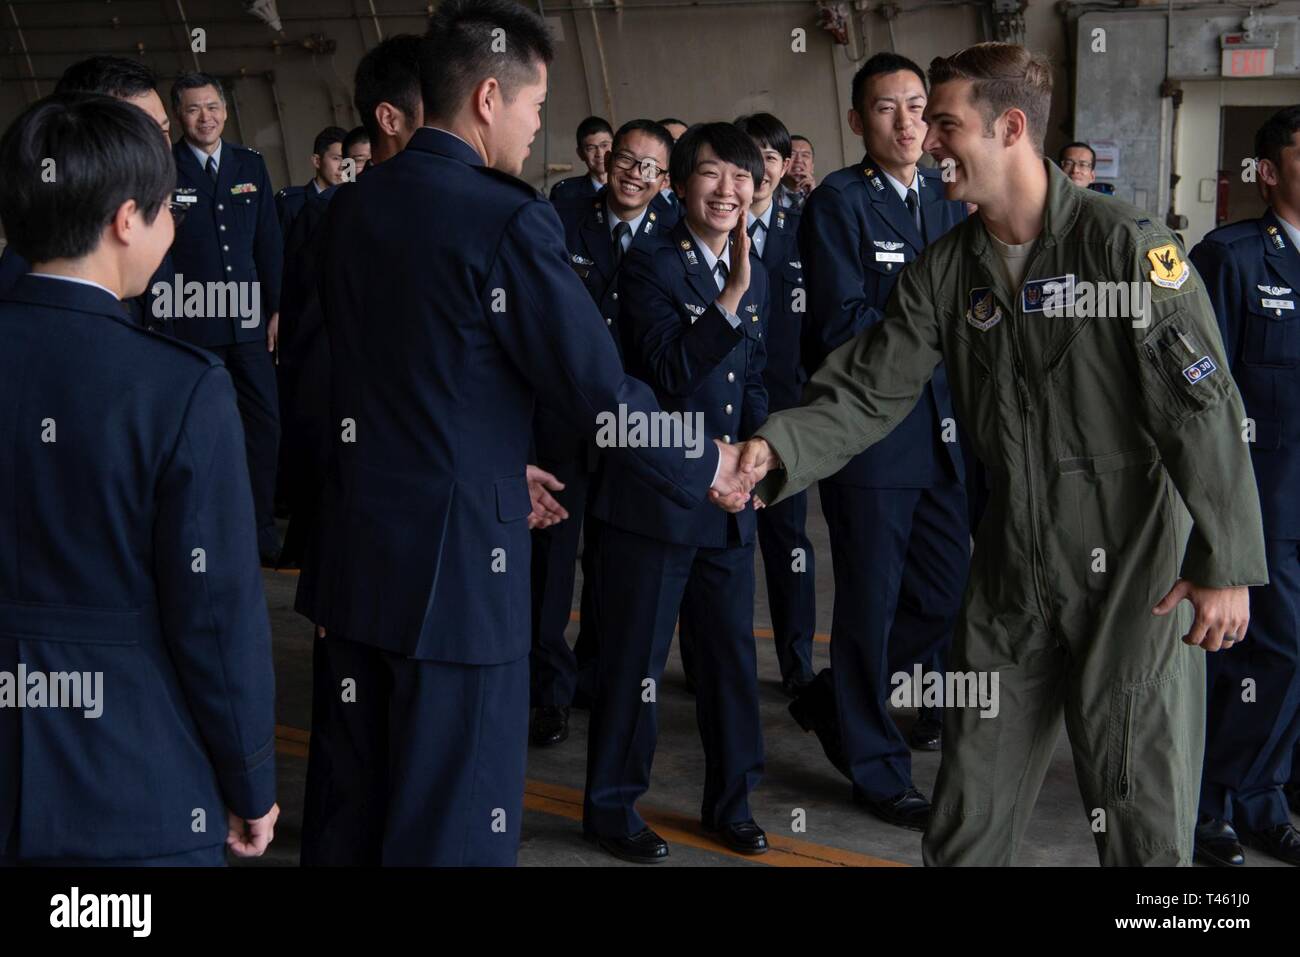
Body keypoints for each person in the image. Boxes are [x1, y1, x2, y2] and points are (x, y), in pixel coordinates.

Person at [727, 42, 1267, 867]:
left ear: (1010, 128)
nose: (925, 140)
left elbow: (1202, 406)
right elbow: (871, 385)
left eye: (945, 124)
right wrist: (773, 448)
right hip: (1013, 561)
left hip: (1134, 575)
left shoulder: (1126, 247)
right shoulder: (946, 271)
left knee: (1140, 814)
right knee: (968, 813)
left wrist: (1225, 559)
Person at [296, 0, 750, 867]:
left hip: (355, 555)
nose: (539, 125)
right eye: (538, 108)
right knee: (455, 818)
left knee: (351, 806)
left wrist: (500, 464)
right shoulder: (505, 217)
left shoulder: (346, 208)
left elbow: (372, 384)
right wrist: (706, 463)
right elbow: (597, 389)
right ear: (490, 98)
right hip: (459, 573)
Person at [0, 93, 278, 866]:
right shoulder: (179, 388)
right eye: (167, 213)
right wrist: (251, 780)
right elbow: (215, 615)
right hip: (128, 780)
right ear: (128, 220)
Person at [788, 52, 971, 830]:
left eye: (918, 106)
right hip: (872, 438)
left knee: (943, 592)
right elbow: (839, 326)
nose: (906, 122)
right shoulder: (838, 204)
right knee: (869, 600)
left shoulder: (949, 196)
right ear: (859, 120)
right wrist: (931, 334)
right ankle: (873, 762)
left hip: (946, 435)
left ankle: (838, 698)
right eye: (887, 108)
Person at [583, 122, 770, 864]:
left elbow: (757, 374)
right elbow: (663, 372)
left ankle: (733, 803)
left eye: (741, 177)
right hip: (655, 499)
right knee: (635, 665)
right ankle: (610, 808)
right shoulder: (651, 264)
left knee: (729, 664)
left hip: (729, 504)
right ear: (679, 185)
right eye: (712, 175)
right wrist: (729, 298)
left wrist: (758, 459)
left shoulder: (753, 254)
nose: (728, 190)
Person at [529, 118, 678, 748]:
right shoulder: (562, 222)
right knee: (550, 570)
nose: (634, 174)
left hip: (635, 430)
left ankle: (592, 677)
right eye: (626, 159)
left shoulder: (674, 239)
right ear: (605, 160)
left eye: (649, 167)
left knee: (615, 565)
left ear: (664, 180)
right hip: (565, 423)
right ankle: (546, 693)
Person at [1188, 104, 1300, 868]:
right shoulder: (1230, 257)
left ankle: (1261, 796)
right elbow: (1201, 396)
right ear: (1269, 172)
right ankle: (1208, 804)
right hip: (1262, 502)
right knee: (1267, 654)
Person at [168, 72, 285, 567]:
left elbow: (268, 241)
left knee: (264, 425)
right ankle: (206, 528)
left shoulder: (249, 165)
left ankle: (257, 529)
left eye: (213, 106)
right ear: (179, 115)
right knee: (203, 431)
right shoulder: (164, 168)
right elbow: (161, 252)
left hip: (249, 323)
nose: (206, 117)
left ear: (225, 110)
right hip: (193, 323)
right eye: (194, 109)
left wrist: (277, 307)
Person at [732, 112, 817, 697]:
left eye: (771, 156)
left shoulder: (808, 229)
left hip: (786, 415)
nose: (760, 167)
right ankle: (718, 661)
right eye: (750, 154)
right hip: (723, 412)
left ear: (785, 166)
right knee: (723, 541)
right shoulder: (711, 224)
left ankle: (796, 665)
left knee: (787, 543)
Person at [0, 55, 174, 325]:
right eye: (142, 134)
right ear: (82, 130)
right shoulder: (34, 259)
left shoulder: (152, 215)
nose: (162, 148)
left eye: (163, 131)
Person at [276, 126, 347, 240]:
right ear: (317, 161)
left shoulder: (354, 201)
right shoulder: (291, 204)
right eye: (336, 158)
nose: (343, 166)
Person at [549, 115, 612, 203]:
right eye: (591, 148)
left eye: (604, 145)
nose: (600, 154)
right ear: (580, 154)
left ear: (615, 146)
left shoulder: (630, 188)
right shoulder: (564, 193)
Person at [779, 133, 815, 209]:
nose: (798, 160)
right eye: (792, 154)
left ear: (812, 167)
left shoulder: (823, 198)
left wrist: (814, 196)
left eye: (805, 155)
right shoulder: (767, 195)